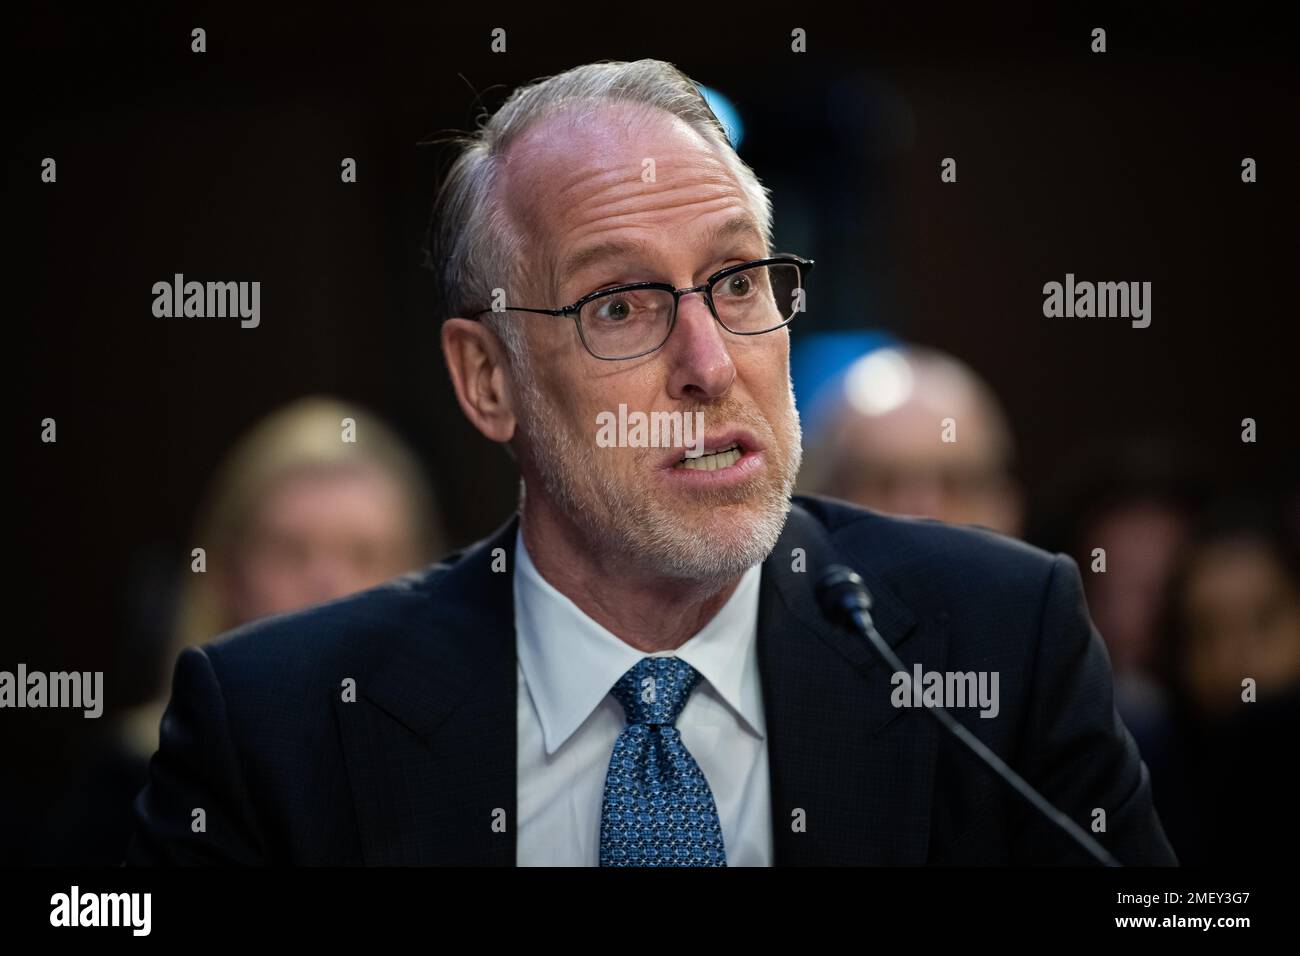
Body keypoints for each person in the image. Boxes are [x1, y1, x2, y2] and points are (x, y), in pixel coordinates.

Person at [126, 59, 1175, 866]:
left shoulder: (999, 640)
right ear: (488, 378)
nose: (710, 366)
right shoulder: (277, 727)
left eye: (737, 282)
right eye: (620, 305)